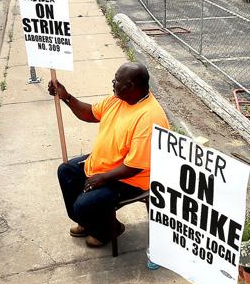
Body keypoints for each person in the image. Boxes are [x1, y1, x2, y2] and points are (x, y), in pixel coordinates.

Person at [48, 62, 169, 247]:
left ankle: (107, 230)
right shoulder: (119, 99)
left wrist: (102, 178)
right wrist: (67, 97)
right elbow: (90, 113)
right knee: (66, 172)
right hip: (105, 165)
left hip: (129, 179)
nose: (113, 82)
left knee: (83, 205)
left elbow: (134, 166)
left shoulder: (149, 117)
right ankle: (91, 222)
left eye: (117, 80)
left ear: (131, 87)